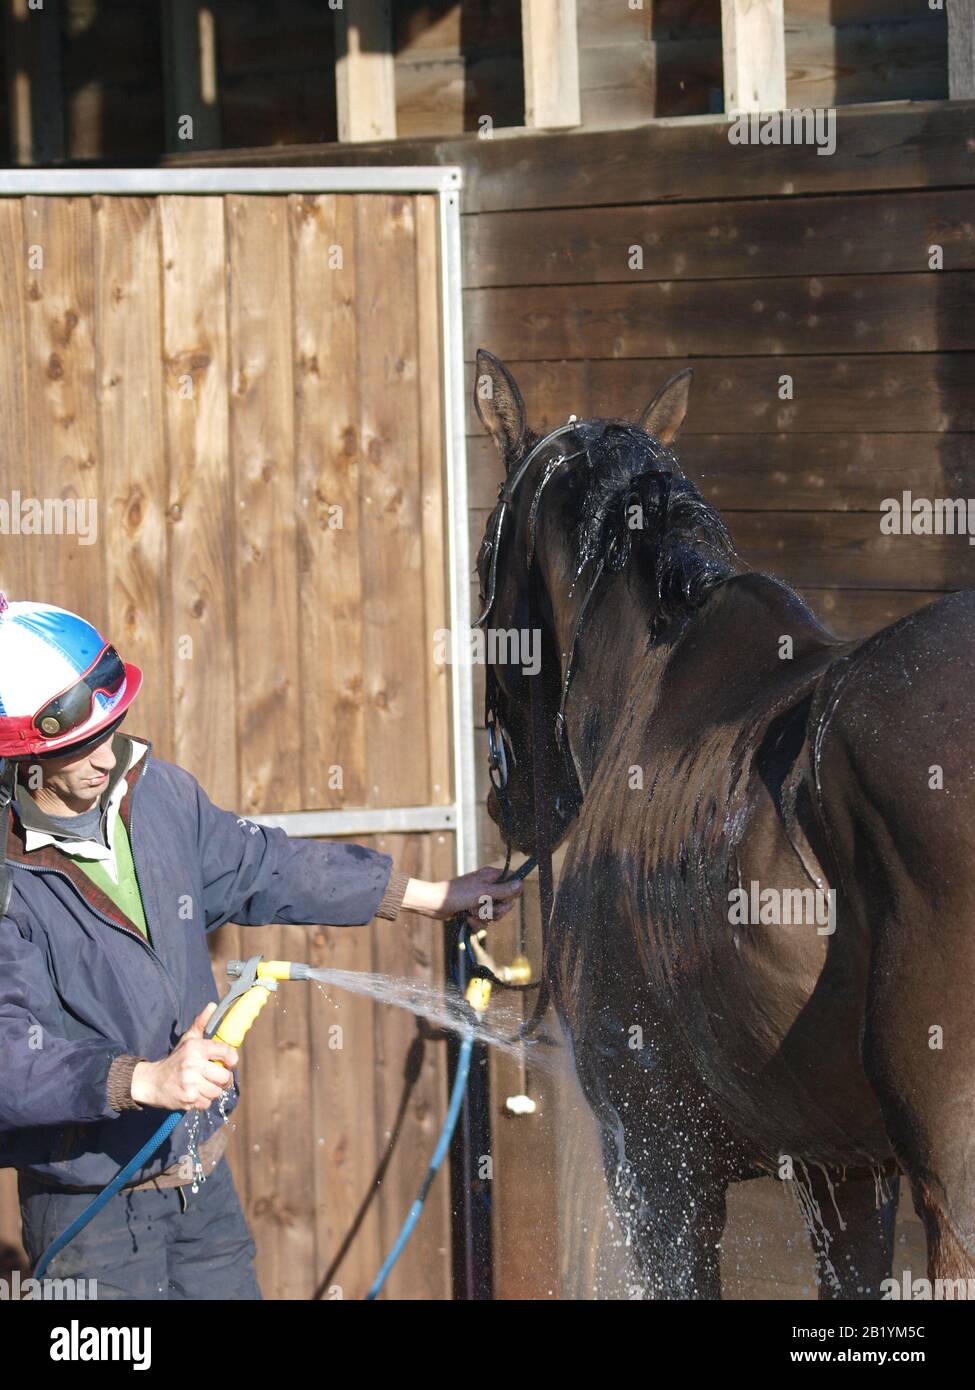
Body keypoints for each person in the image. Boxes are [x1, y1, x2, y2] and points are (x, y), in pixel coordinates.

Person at [0, 594, 522, 1299]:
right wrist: (143, 1081)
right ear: (23, 755)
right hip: (92, 1217)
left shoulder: (156, 797)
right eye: (75, 746)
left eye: (114, 726)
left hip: (201, 1186)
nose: (104, 757)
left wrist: (428, 897)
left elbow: (266, 867)